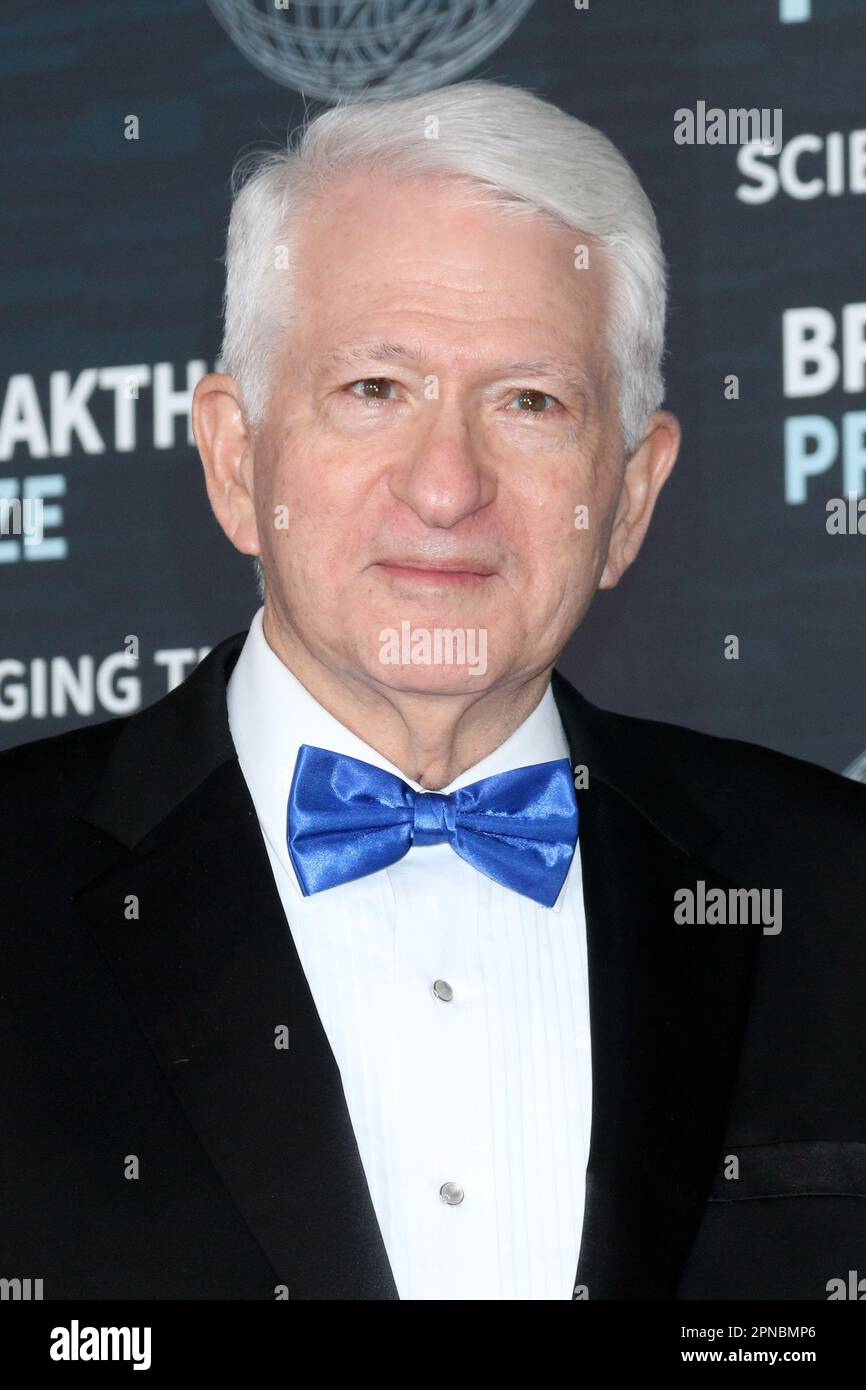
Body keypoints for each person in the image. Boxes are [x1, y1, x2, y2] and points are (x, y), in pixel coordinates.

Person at [2, 80, 864, 1302]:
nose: (447, 485)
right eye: (373, 389)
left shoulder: (836, 893)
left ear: (628, 496)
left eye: (529, 402)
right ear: (235, 460)